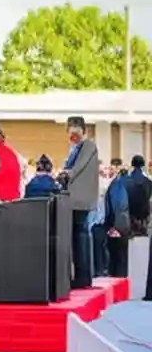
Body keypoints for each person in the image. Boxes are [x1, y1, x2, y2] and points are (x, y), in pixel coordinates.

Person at [57, 116, 101, 289]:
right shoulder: (75, 148)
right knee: (77, 237)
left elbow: (77, 168)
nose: (72, 135)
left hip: (80, 200)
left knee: (80, 236)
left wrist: (65, 173)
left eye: (75, 131)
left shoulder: (88, 146)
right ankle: (81, 275)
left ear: (83, 131)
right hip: (74, 199)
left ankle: (83, 276)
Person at [102, 160, 131, 278]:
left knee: (117, 261)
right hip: (124, 225)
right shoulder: (125, 183)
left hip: (118, 226)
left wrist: (114, 227)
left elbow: (118, 206)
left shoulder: (117, 184)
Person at [126, 155, 152, 236]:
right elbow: (149, 196)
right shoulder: (148, 181)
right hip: (144, 213)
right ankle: (143, 225)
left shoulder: (127, 180)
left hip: (130, 212)